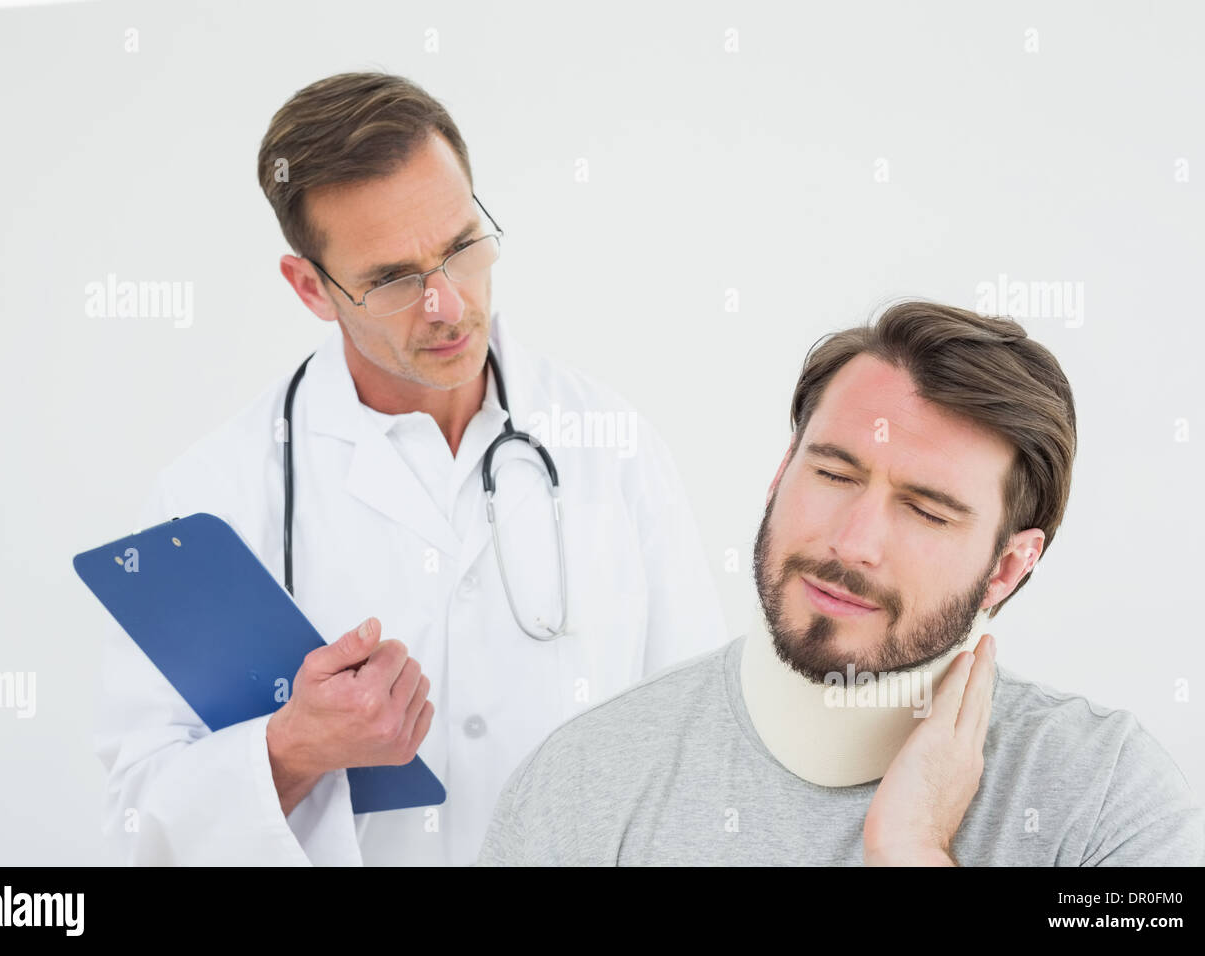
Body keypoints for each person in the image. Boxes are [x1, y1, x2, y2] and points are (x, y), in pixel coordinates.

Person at [93, 72, 728, 865]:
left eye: (462, 248)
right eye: (392, 279)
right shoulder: (208, 498)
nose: (447, 305)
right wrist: (291, 750)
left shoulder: (614, 448)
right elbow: (136, 823)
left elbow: (703, 749)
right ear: (311, 289)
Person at [477, 301, 1205, 866]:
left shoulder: (1112, 799)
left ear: (1008, 568)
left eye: (927, 511)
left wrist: (915, 847)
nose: (853, 543)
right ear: (780, 470)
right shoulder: (580, 781)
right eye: (832, 473)